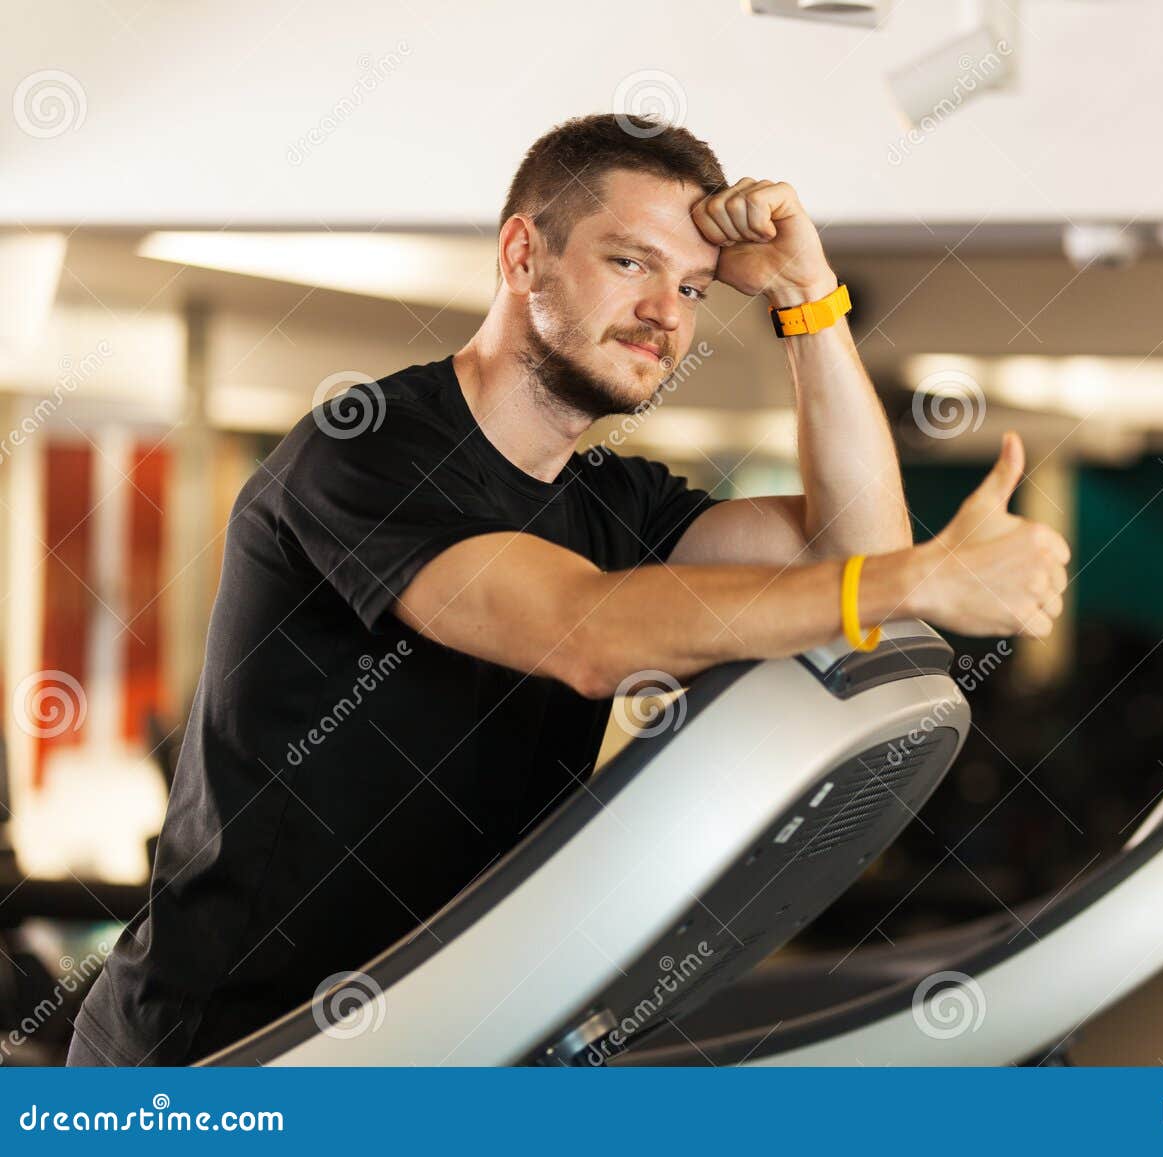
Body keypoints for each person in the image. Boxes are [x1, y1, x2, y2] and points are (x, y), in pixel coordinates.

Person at [67, 112, 1069, 1065]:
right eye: (629, 261)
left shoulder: (616, 500)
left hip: (431, 1039)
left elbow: (858, 549)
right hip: (228, 1051)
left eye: (691, 288)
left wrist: (806, 294)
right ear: (521, 254)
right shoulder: (364, 446)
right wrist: (925, 574)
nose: (662, 313)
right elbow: (580, 632)